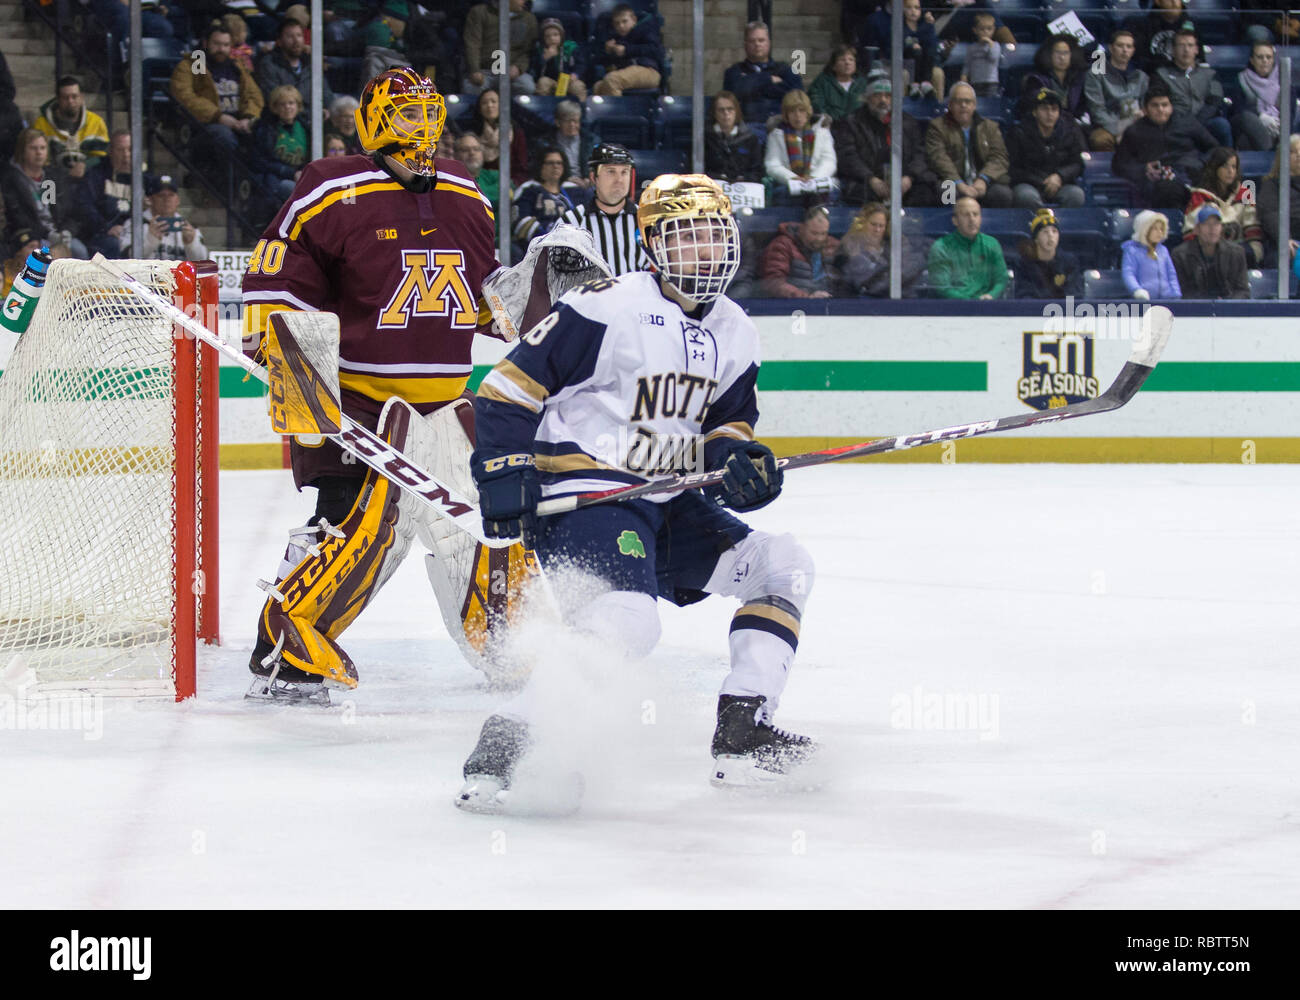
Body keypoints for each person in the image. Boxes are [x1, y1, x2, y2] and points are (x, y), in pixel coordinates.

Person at [456, 173, 819, 812]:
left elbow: (725, 426)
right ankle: (511, 739)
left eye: (715, 236)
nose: (705, 252)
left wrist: (740, 464)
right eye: (688, 238)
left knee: (782, 565)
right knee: (627, 619)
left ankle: (744, 731)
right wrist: (505, 470)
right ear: (653, 244)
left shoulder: (736, 329)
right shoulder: (608, 306)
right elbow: (508, 389)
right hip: (587, 491)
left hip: (667, 497)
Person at [240, 68, 515, 699]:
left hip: (445, 412)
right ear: (372, 118)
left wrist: (543, 296)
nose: (419, 127)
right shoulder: (331, 185)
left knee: (473, 531)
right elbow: (280, 259)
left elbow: (485, 293)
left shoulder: (469, 192)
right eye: (404, 113)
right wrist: (275, 332)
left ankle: (507, 642)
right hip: (360, 403)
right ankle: (286, 654)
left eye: (427, 113)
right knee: (344, 526)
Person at [832, 72, 936, 207]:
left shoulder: (908, 121)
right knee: (858, 194)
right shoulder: (852, 122)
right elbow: (848, 156)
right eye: (877, 95)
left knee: (930, 191)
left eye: (888, 96)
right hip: (867, 182)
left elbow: (920, 153)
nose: (883, 100)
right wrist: (871, 179)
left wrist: (909, 178)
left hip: (904, 182)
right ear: (867, 98)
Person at [1113, 81, 1216, 208]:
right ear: (1145, 109)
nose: (1161, 110)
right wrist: (1143, 169)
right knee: (1168, 189)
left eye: (1164, 105)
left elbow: (1215, 149)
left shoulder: (1187, 123)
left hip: (1191, 174)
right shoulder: (1134, 131)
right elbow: (1119, 164)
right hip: (1158, 182)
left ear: (1171, 107)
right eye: (1155, 106)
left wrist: (1200, 163)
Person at [170, 22, 265, 159]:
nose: (221, 49)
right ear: (205, 43)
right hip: (205, 124)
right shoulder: (194, 64)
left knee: (265, 134)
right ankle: (231, 179)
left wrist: (248, 117)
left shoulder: (236, 67)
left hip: (240, 122)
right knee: (223, 135)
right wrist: (218, 116)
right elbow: (185, 97)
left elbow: (254, 95)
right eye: (216, 44)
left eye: (226, 45)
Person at [559, 143, 650, 275]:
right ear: (593, 177)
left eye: (624, 172)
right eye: (611, 171)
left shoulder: (646, 220)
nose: (619, 180)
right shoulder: (571, 222)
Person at [1, 129, 87, 259]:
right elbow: (18, 217)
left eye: (42, 148)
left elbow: (62, 212)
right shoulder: (12, 179)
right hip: (30, 237)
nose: (39, 153)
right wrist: (47, 234)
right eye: (33, 148)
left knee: (79, 250)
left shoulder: (50, 178)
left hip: (56, 234)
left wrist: (67, 231)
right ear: (22, 151)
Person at [925, 82, 1013, 208]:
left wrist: (983, 179)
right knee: (946, 193)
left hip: (983, 182)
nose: (963, 105)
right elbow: (939, 159)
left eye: (968, 101)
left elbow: (999, 157)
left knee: (1003, 194)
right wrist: (959, 183)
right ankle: (951, 225)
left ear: (974, 105)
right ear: (950, 105)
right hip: (952, 181)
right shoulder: (937, 127)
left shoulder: (990, 127)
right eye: (958, 101)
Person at [1006, 88, 1085, 210]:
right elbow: (1012, 168)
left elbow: (1077, 164)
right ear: (1035, 112)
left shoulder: (1069, 132)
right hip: (1029, 183)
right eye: (1044, 109)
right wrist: (1042, 181)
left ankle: (1061, 229)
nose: (1050, 114)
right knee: (1026, 197)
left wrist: (1060, 176)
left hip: (1060, 183)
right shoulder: (1019, 133)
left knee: (1076, 195)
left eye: (1054, 109)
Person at [1182, 148, 1264, 266]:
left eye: (1233, 167)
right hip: (1211, 253)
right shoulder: (1200, 196)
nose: (1230, 171)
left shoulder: (1245, 194)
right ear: (1215, 168)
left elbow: (1253, 230)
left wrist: (1255, 252)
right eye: (1225, 166)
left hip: (1240, 252)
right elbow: (1190, 233)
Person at [1155, 29, 1231, 150]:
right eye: (1181, 45)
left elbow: (1215, 101)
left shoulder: (1210, 74)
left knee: (1222, 125)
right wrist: (1184, 122)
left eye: (1190, 45)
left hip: (1204, 122)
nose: (1186, 50)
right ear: (1173, 50)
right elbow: (1160, 102)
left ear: (1196, 50)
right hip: (1175, 123)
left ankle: (1228, 163)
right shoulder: (1161, 74)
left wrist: (1195, 123)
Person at [834, 201, 927, 297]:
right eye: (873, 224)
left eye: (881, 226)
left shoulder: (894, 245)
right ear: (863, 223)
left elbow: (909, 270)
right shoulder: (849, 246)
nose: (877, 230)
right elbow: (859, 281)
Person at [66, 128, 134, 258]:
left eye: (129, 149)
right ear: (111, 151)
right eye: (121, 150)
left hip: (131, 233)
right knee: (112, 244)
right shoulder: (96, 175)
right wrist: (106, 227)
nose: (126, 155)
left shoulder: (141, 177)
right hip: (99, 234)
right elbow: (85, 206)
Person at [927, 195, 1007, 299]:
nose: (972, 219)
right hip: (951, 310)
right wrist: (971, 303)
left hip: (987, 307)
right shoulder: (941, 247)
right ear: (955, 220)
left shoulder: (992, 244)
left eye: (975, 214)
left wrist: (991, 295)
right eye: (966, 215)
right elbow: (942, 287)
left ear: (981, 218)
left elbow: (1001, 280)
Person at [255, 16, 334, 122]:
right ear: (279, 41)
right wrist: (313, 114)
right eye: (290, 37)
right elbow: (275, 100)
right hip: (283, 122)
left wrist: (327, 109)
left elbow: (326, 93)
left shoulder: (311, 63)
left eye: (299, 35)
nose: (296, 41)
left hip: (316, 121)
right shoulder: (269, 64)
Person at [764, 90, 837, 198]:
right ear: (786, 114)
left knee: (821, 193)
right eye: (792, 111)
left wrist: (814, 177)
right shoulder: (776, 135)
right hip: (788, 183)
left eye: (802, 110)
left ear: (808, 112)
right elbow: (773, 165)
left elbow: (829, 161)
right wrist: (792, 178)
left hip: (818, 180)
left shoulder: (822, 132)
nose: (797, 115)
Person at [723, 21, 802, 121]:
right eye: (752, 41)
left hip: (781, 127)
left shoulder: (786, 70)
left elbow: (798, 97)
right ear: (745, 44)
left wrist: (751, 85)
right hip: (747, 129)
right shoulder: (733, 72)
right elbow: (735, 91)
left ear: (769, 43)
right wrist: (768, 79)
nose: (757, 44)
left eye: (761, 40)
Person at [1085, 29, 1149, 153]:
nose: (1125, 50)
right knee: (1101, 140)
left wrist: (1132, 127)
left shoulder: (1141, 77)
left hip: (1135, 125)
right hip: (1106, 127)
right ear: (1111, 48)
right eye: (1120, 45)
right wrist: (1119, 128)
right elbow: (1097, 111)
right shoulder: (1096, 73)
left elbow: (1144, 107)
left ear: (1133, 51)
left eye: (1129, 46)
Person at [759, 203, 841, 298]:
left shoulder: (833, 245)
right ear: (802, 228)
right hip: (793, 307)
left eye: (823, 233)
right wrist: (807, 297)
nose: (819, 238)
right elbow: (773, 282)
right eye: (814, 233)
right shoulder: (782, 245)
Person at [1171, 205, 1249, 299]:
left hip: (1229, 309)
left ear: (1221, 228)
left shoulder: (1236, 253)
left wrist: (1227, 305)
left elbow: (1242, 290)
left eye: (1216, 224)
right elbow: (1182, 291)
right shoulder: (1180, 255)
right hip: (1196, 310)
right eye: (1207, 224)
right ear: (1196, 229)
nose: (1212, 228)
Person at [463, 0, 538, 97]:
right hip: (484, 71)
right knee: (472, 88)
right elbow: (472, 44)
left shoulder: (529, 19)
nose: (525, 1)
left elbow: (527, 51)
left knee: (527, 87)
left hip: (511, 72)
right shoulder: (479, 12)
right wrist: (475, 70)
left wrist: (518, 67)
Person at [32, 76, 109, 167]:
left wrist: (85, 165)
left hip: (88, 177)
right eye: (65, 97)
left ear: (81, 97)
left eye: (74, 96)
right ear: (58, 99)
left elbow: (102, 156)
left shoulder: (96, 122)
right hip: (53, 176)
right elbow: (37, 158)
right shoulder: (41, 124)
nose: (70, 101)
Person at [512, 147, 577, 253]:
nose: (555, 166)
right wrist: (548, 241)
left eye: (559, 163)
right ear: (540, 166)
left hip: (568, 248)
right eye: (550, 163)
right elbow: (521, 221)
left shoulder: (571, 192)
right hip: (536, 249)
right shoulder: (529, 189)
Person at [591, 3, 665, 97]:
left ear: (634, 20)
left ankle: (619, 111)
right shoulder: (615, 39)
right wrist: (607, 51)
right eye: (617, 23)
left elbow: (655, 50)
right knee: (598, 87)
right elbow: (602, 62)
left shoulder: (645, 30)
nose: (621, 26)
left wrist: (627, 50)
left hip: (648, 70)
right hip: (627, 71)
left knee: (612, 80)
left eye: (624, 21)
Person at [252, 85, 309, 202]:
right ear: (275, 107)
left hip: (302, 175)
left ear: (298, 106)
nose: (287, 107)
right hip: (276, 178)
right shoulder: (265, 129)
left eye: (291, 103)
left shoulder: (306, 128)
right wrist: (291, 173)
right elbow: (261, 161)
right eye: (282, 104)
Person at [136, 174, 209, 261]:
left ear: (178, 200)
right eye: (161, 195)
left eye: (171, 195)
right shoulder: (136, 223)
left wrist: (191, 243)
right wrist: (151, 240)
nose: (167, 199)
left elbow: (202, 261)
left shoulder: (188, 225)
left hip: (178, 274)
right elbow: (127, 258)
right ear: (151, 200)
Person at [1013, 208, 1082, 299]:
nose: (1050, 236)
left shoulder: (1069, 262)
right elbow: (1024, 294)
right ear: (1036, 239)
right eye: (1045, 232)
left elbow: (1074, 293)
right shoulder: (1024, 263)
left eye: (1054, 231)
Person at [1019, 34, 1087, 126]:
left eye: (1066, 53)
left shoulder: (1079, 79)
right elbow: (1039, 108)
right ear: (1049, 55)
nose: (1062, 58)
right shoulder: (1035, 79)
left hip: (1074, 127)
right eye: (1057, 53)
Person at [466, 89, 529, 187]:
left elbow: (521, 168)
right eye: (484, 103)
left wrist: (512, 185)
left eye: (493, 101)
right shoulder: (472, 134)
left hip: (509, 186)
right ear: (479, 108)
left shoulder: (516, 133)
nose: (490, 105)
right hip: (478, 184)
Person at [1257, 134, 1300, 265]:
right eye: (1293, 152)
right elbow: (1270, 214)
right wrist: (1284, 238)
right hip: (1283, 239)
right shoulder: (1271, 184)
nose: (1299, 155)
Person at [705, 91, 764, 184]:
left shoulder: (750, 139)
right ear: (714, 113)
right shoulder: (705, 138)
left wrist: (744, 178)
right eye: (721, 110)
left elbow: (757, 171)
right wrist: (720, 177)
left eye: (730, 109)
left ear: (736, 111)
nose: (726, 113)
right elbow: (699, 170)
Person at [1121, 209, 1181, 299]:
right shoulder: (1132, 251)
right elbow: (1129, 274)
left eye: (1161, 229)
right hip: (1144, 301)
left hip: (1167, 300)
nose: (1159, 232)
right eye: (1155, 229)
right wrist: (1136, 290)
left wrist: (1176, 292)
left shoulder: (1163, 250)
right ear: (1144, 230)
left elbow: (1171, 274)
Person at [1233, 41, 1281, 152]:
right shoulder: (1241, 79)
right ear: (1252, 60)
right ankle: (1270, 152)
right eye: (1260, 57)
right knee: (1247, 118)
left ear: (1273, 60)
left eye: (1269, 57)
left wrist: (1279, 121)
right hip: (1251, 132)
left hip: (1280, 129)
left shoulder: (1283, 79)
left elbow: (1290, 109)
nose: (1265, 61)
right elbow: (1238, 109)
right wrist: (1261, 117)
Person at [529, 17, 588, 101]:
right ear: (543, 39)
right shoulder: (540, 50)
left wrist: (576, 74)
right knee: (543, 82)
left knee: (578, 86)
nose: (552, 38)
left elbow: (581, 65)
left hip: (569, 80)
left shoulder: (571, 48)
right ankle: (541, 109)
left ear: (562, 36)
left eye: (555, 35)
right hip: (550, 81)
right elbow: (534, 72)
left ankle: (581, 109)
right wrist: (544, 59)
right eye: (547, 36)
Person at [541, 100, 595, 189]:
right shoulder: (546, 142)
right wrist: (566, 178)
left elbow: (596, 165)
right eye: (567, 121)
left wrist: (587, 178)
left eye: (575, 121)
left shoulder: (591, 140)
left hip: (587, 184)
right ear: (558, 122)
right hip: (560, 182)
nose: (572, 125)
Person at [808, 45, 868, 122]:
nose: (847, 63)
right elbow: (817, 105)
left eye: (851, 59)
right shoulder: (821, 82)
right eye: (842, 60)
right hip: (830, 126)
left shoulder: (863, 83)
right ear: (833, 66)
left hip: (858, 127)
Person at [453, 131, 500, 206]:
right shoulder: (451, 179)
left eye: (476, 149)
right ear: (455, 155)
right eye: (465, 150)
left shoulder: (495, 176)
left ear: (482, 153)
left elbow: (508, 190)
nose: (472, 153)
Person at [962, 11, 1002, 99]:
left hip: (991, 83)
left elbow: (993, 58)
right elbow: (967, 65)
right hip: (975, 82)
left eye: (989, 29)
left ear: (994, 30)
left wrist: (989, 44)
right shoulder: (972, 47)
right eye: (982, 29)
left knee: (990, 103)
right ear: (975, 30)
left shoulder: (995, 45)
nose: (985, 32)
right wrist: (964, 77)